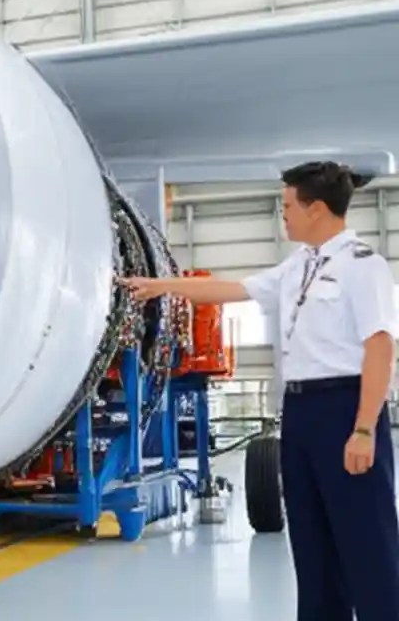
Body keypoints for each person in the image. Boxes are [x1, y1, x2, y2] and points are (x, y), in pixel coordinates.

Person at [122, 160, 399, 621]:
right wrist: (157, 287)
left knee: (367, 544)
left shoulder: (362, 267)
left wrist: (365, 428)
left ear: (316, 209)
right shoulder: (297, 267)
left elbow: (379, 346)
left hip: (345, 409)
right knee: (312, 546)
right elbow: (230, 289)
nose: (283, 214)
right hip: (301, 412)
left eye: (289, 205)